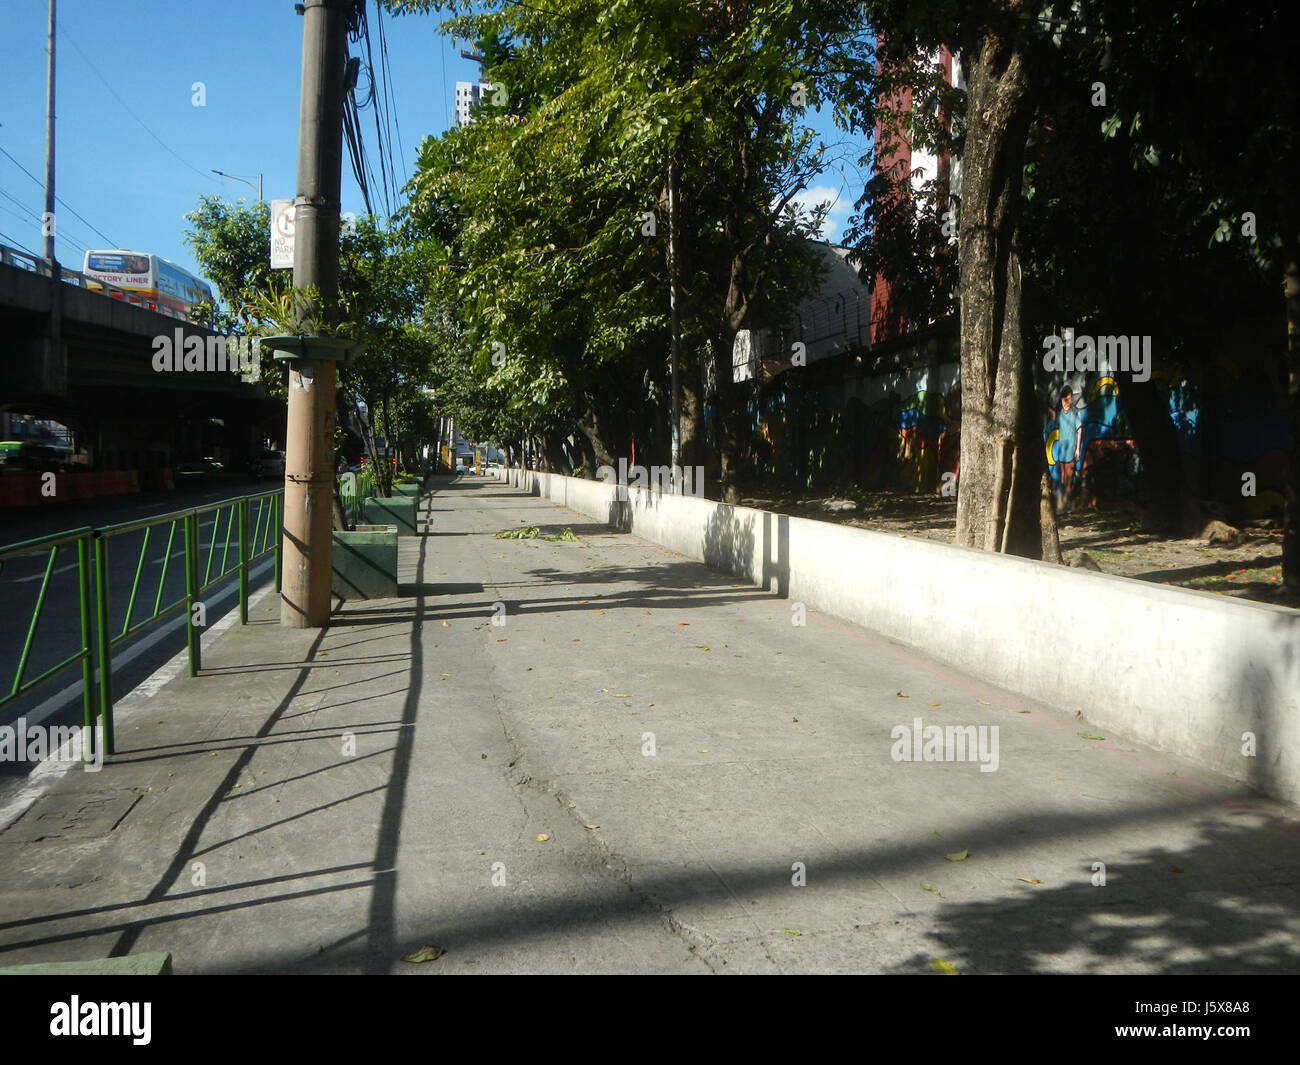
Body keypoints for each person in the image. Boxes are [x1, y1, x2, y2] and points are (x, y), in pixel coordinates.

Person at [1051, 386, 1084, 507]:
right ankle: (1063, 503)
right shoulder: (1060, 414)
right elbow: (1054, 420)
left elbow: (1079, 430)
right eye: (1067, 399)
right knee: (1063, 478)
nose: (1070, 401)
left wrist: (1077, 449)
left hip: (1070, 448)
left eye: (1071, 399)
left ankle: (1067, 504)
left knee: (1069, 478)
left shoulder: (1074, 413)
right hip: (1062, 450)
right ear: (1062, 400)